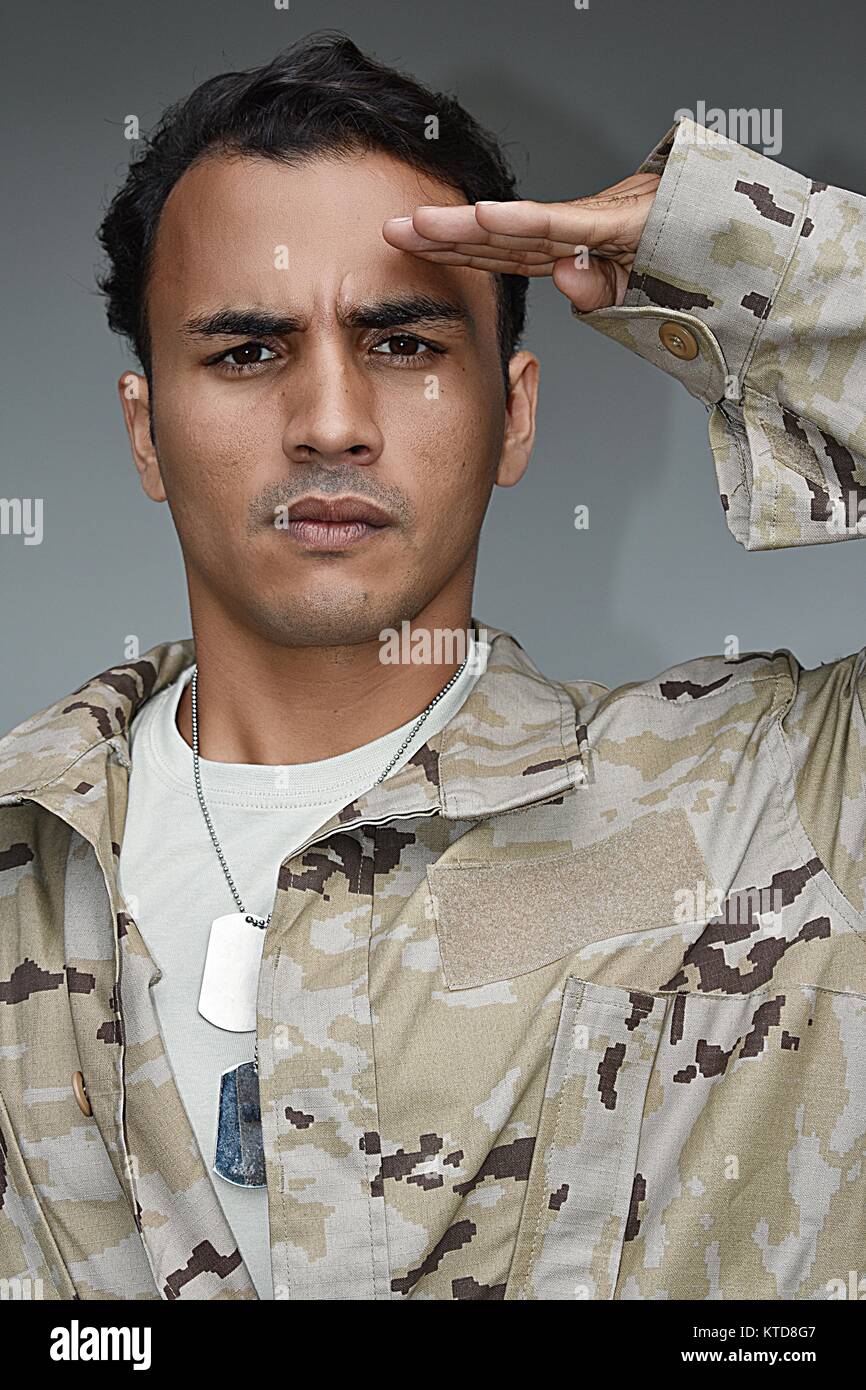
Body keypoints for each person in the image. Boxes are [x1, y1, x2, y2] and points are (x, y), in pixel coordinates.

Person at [1, 31, 864, 1301]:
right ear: (146, 432)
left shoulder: (774, 803)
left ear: (511, 411)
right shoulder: (20, 868)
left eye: (402, 344)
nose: (332, 422)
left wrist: (730, 253)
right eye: (247, 351)